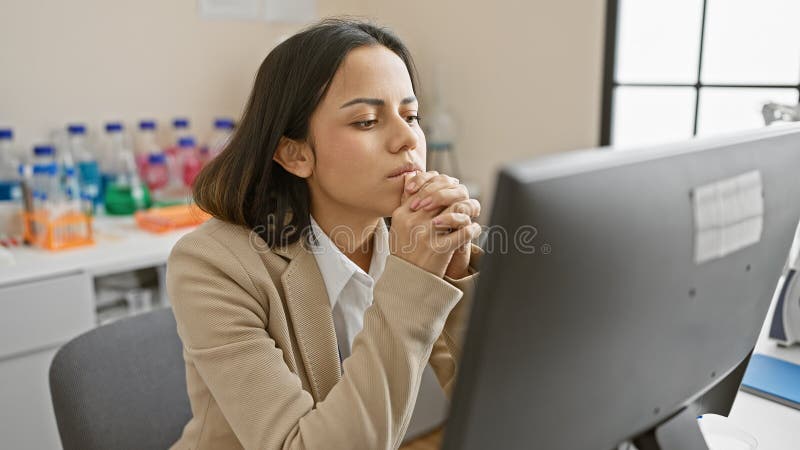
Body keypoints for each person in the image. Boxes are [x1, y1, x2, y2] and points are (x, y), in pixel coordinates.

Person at [167, 18, 482, 450]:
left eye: (411, 115)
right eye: (367, 121)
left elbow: (498, 402)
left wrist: (454, 278)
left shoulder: (408, 234)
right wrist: (414, 279)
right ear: (294, 154)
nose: (407, 138)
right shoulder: (211, 265)